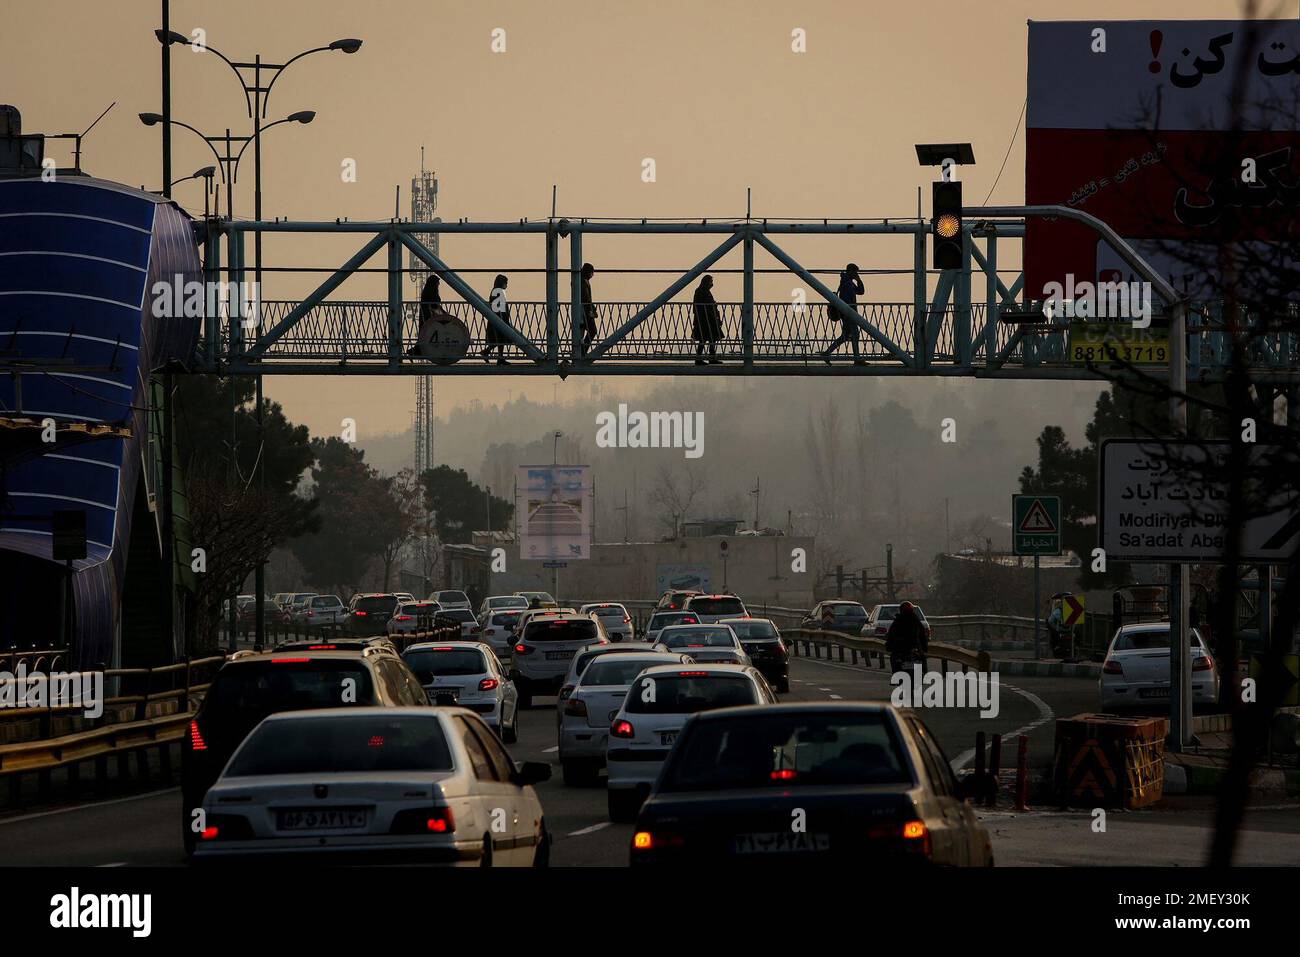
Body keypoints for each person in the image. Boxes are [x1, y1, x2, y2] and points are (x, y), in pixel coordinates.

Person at [823, 263, 866, 366]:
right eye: (855, 272)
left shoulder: (848, 282)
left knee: (845, 336)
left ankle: (827, 353)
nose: (856, 274)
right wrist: (850, 312)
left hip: (848, 313)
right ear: (850, 271)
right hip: (849, 314)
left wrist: (858, 280)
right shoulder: (847, 283)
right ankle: (857, 359)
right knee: (855, 334)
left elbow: (860, 291)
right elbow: (847, 299)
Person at [885, 600, 925, 675]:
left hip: (905, 648)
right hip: (905, 648)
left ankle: (896, 675)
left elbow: (891, 635)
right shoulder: (915, 620)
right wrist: (923, 648)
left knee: (894, 658)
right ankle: (923, 672)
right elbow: (923, 635)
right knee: (921, 657)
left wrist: (889, 645)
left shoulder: (898, 620)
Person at [692, 274, 723, 365]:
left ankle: (705, 358)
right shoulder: (701, 291)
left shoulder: (702, 291)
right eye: (710, 282)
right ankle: (706, 358)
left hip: (708, 319)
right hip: (705, 320)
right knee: (706, 338)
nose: (712, 284)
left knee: (708, 338)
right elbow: (701, 306)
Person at [409, 272, 442, 358]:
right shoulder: (432, 291)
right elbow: (435, 304)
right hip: (429, 315)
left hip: (426, 315)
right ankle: (418, 350)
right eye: (437, 282)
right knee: (428, 333)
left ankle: (417, 350)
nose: (438, 284)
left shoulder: (428, 290)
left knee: (425, 333)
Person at [483, 273, 510, 365]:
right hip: (498, 318)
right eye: (506, 282)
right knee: (500, 338)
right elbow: (499, 307)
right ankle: (499, 357)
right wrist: (503, 319)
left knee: (497, 339)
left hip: (496, 318)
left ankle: (489, 353)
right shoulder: (498, 291)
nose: (507, 284)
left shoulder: (496, 291)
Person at [580, 262, 598, 355]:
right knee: (592, 330)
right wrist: (593, 310)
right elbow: (586, 298)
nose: (592, 275)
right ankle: (582, 351)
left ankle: (580, 351)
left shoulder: (581, 281)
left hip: (582, 310)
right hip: (585, 311)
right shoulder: (582, 282)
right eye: (591, 272)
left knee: (582, 331)